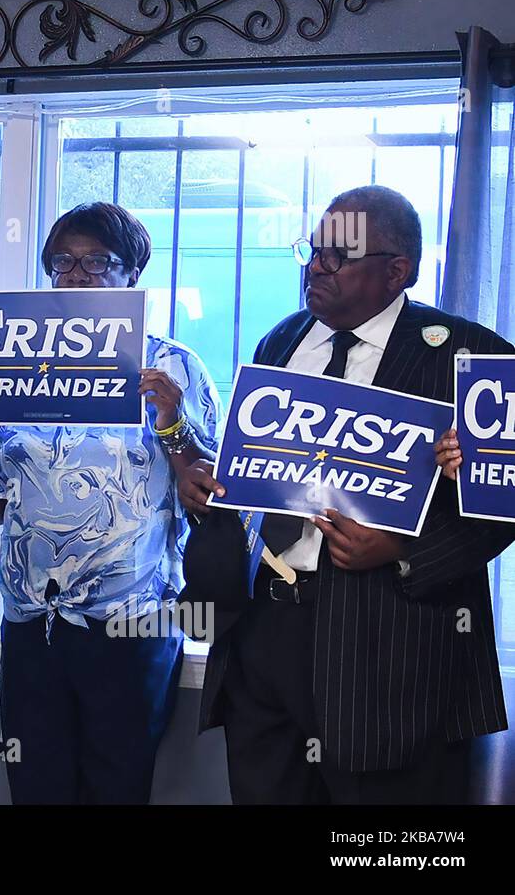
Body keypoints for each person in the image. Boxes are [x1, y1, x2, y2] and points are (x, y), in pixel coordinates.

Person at [180, 185, 515, 804]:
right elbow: (260, 470)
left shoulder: (470, 354)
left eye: (338, 256)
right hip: (266, 632)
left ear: (398, 269)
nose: (316, 267)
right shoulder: (282, 340)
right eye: (312, 251)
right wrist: (214, 486)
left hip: (391, 648)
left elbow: (507, 499)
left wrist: (400, 550)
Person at [0, 202, 220, 804]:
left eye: (97, 263)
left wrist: (169, 419)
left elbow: (205, 493)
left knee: (117, 790)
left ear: (131, 275)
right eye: (62, 262)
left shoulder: (172, 367)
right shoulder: (15, 362)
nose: (76, 277)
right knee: (37, 790)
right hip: (34, 626)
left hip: (131, 626)